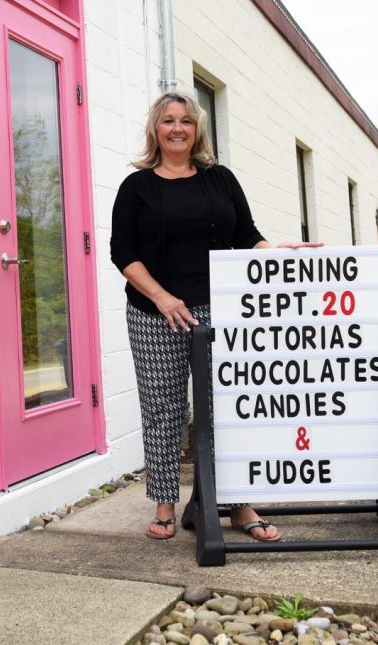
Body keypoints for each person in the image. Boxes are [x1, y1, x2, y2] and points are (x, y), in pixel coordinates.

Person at [110, 92, 321, 540]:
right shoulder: (136, 187)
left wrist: (276, 253)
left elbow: (246, 234)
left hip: (221, 308)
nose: (178, 128)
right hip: (155, 312)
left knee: (225, 408)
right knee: (163, 409)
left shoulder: (220, 179)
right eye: (168, 120)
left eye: (186, 120)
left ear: (198, 130)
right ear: (155, 130)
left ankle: (238, 505)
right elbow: (122, 251)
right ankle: (165, 505)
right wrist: (163, 298)